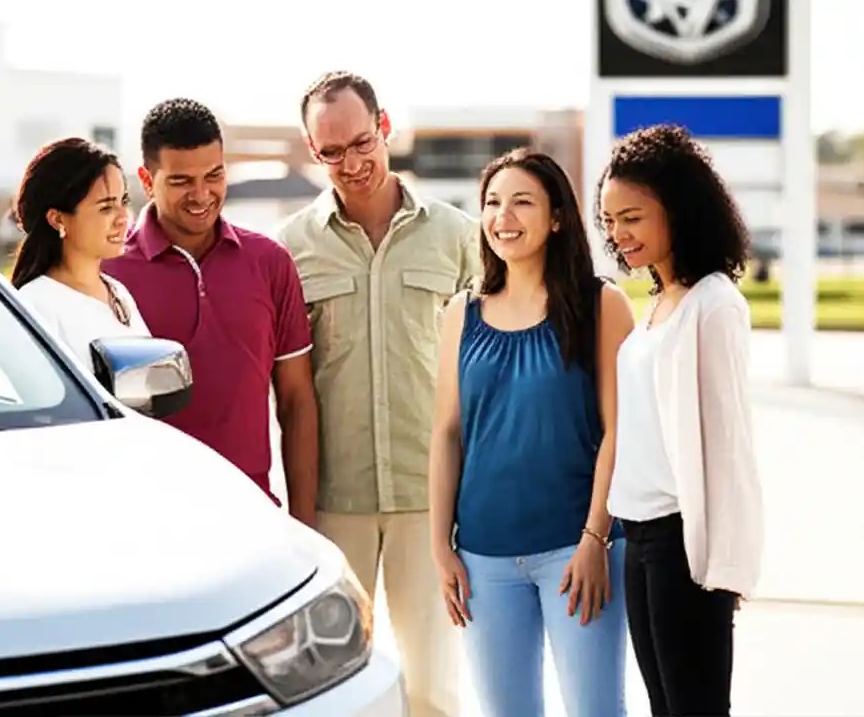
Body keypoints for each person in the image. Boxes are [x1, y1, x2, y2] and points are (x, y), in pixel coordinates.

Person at [276, 70, 480, 717]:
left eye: (361, 142)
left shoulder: (459, 237)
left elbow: (487, 368)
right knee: (328, 687)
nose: (351, 163)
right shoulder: (289, 249)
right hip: (336, 503)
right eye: (331, 151)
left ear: (384, 125)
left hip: (433, 500)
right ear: (313, 151)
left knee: (433, 689)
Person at [429, 148, 634, 717]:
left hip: (577, 553)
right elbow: (447, 433)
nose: (503, 216)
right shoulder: (461, 313)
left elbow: (620, 433)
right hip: (483, 560)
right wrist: (439, 547)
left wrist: (596, 539)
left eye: (522, 202)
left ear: (558, 218)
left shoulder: (602, 306)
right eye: (493, 203)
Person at [596, 123, 763, 717]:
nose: (619, 234)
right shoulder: (660, 301)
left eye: (633, 217)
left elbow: (729, 448)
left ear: (678, 208)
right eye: (611, 220)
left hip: (683, 546)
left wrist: (725, 570)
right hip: (638, 538)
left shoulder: (713, 305)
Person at [102, 97, 320, 522]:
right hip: (145, 515)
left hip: (252, 511)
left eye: (215, 175)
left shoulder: (270, 262)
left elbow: (296, 401)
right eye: (182, 181)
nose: (202, 195)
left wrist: (304, 522)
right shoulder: (109, 270)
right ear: (147, 180)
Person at [10, 137, 150, 369]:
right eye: (106, 207)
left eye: (123, 201)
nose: (123, 218)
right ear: (57, 219)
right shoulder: (38, 304)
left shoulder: (117, 292)